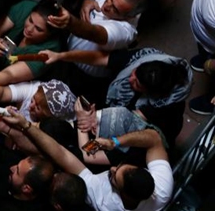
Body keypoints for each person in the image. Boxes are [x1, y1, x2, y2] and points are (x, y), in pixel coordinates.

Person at [2, 110, 172, 211]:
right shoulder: (161, 190)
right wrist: (114, 142)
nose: (112, 169)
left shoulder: (102, 199)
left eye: (114, 177)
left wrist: (26, 125)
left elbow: (62, 154)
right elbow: (155, 138)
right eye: (119, 167)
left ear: (123, 194)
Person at [43, 47, 192, 142]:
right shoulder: (146, 58)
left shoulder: (162, 110)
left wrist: (94, 120)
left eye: (137, 84)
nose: (130, 79)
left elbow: (124, 120)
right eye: (134, 72)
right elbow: (100, 58)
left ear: (149, 93)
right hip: (110, 101)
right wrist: (61, 55)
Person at [41, 0, 147, 103]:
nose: (107, 5)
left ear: (129, 17)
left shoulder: (124, 31)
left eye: (115, 10)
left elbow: (93, 33)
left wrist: (70, 22)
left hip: (84, 75)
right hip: (66, 50)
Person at [0, 0, 66, 85]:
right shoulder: (25, 8)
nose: (29, 29)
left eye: (38, 29)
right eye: (30, 20)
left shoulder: (49, 51)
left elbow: (10, 75)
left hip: (8, 83)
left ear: (49, 34)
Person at [188, 0, 215, 115]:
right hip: (206, 36)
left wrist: (210, 65)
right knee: (204, 53)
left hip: (210, 38)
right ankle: (205, 57)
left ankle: (210, 103)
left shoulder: (212, 14)